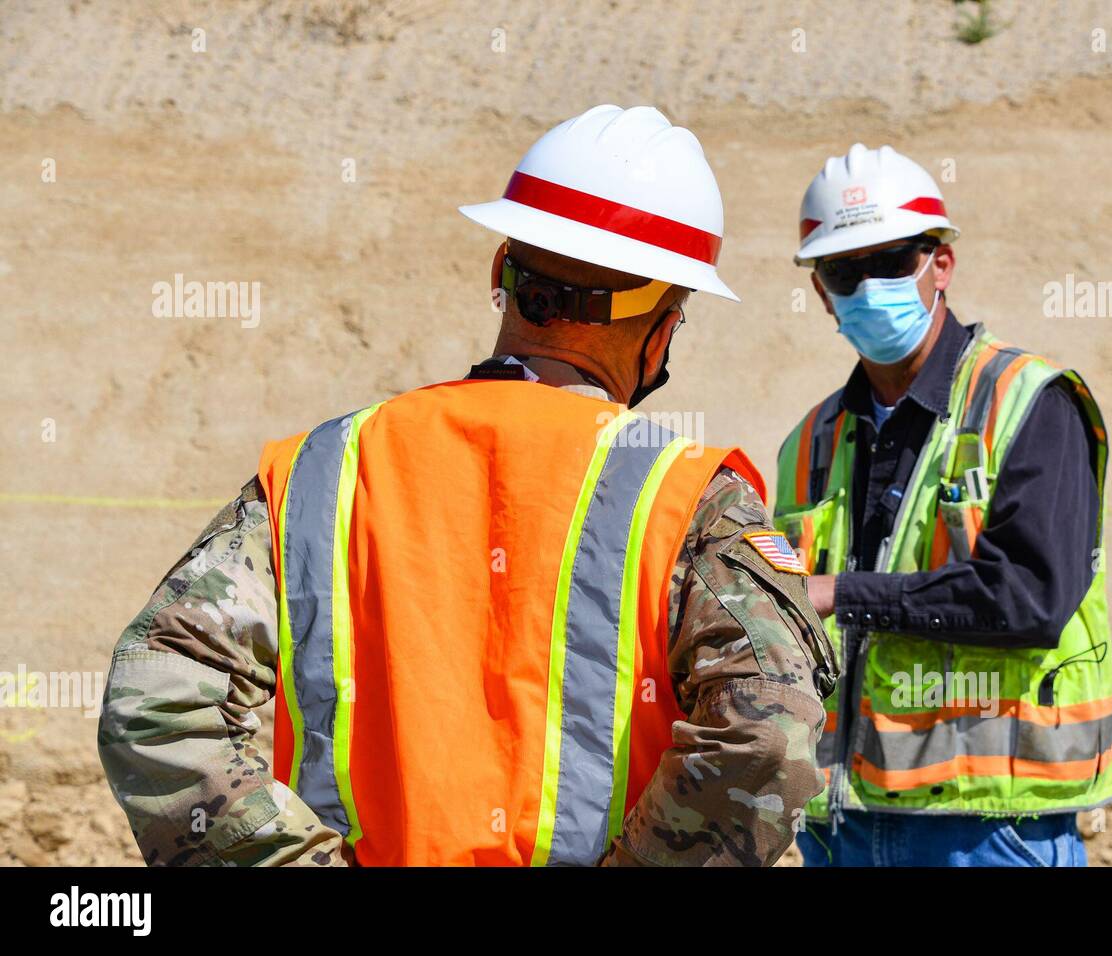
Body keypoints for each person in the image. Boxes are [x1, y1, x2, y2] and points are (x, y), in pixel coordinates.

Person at [97, 105, 836, 867]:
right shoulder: (689, 498)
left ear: (500, 273)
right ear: (663, 323)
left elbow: (155, 703)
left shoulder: (320, 473)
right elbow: (769, 732)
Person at [774, 143, 1112, 867]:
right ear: (820, 291)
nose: (869, 285)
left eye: (893, 262)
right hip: (839, 825)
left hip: (989, 830)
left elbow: (1030, 597)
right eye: (846, 270)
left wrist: (840, 594)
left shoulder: (1030, 404)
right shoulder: (809, 441)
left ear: (940, 263)